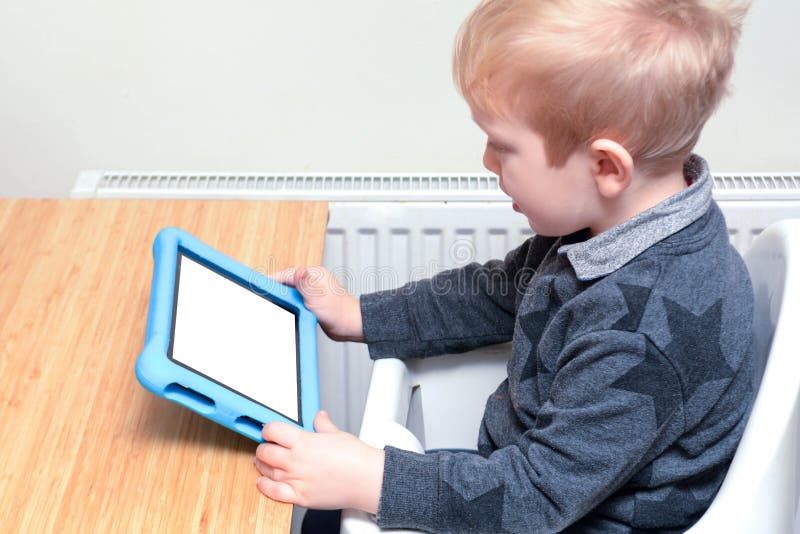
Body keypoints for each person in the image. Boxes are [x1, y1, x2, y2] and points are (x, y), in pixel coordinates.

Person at [254, 0, 755, 531]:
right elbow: (497, 293)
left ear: (606, 167)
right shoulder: (602, 228)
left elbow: (537, 498)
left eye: (502, 146)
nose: (487, 160)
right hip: (528, 482)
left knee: (325, 511)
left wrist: (370, 478)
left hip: (561, 513)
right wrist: (358, 313)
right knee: (324, 513)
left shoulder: (642, 335)